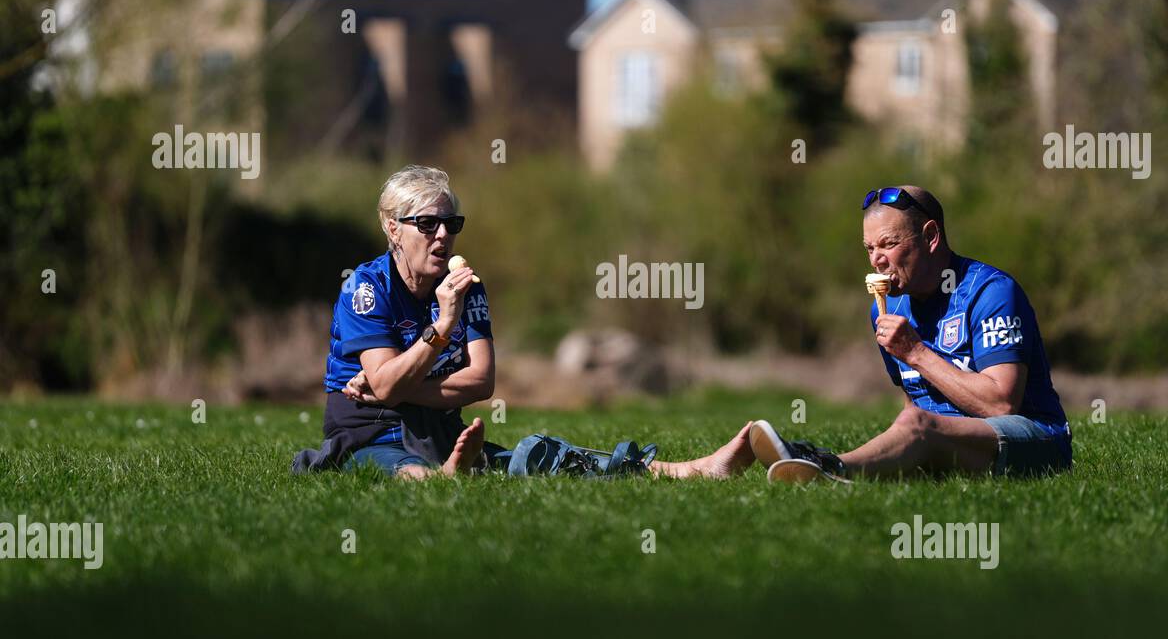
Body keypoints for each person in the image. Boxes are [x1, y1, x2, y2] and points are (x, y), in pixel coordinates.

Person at [292, 164, 755, 479]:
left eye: (452, 224)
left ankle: (685, 470)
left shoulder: (467, 287)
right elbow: (393, 390)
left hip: (436, 427)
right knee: (396, 469)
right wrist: (441, 328)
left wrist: (392, 384)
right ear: (393, 227)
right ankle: (442, 478)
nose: (442, 236)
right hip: (370, 427)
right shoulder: (366, 289)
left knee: (540, 454)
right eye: (427, 224)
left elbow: (480, 382)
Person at [748, 185, 1073, 483]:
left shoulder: (991, 292)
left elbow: (1002, 404)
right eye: (869, 248)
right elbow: (914, 396)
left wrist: (916, 353)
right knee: (914, 421)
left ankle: (830, 468)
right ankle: (706, 467)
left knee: (917, 424)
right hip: (948, 442)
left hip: (1033, 441)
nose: (877, 259)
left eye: (888, 244)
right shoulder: (885, 308)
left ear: (930, 236)